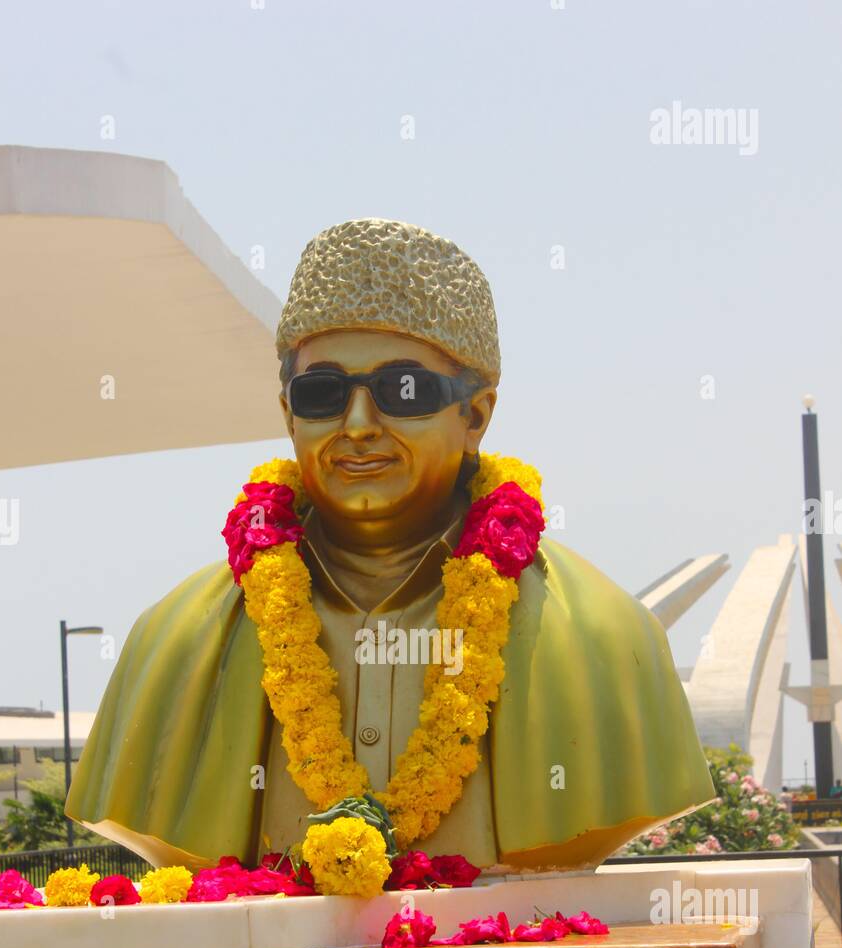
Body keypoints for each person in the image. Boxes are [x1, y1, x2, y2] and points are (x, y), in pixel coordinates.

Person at [67, 219, 713, 872]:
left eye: (402, 391)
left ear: (476, 416)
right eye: (322, 394)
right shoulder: (175, 643)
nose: (357, 426)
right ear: (290, 414)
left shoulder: (602, 636)